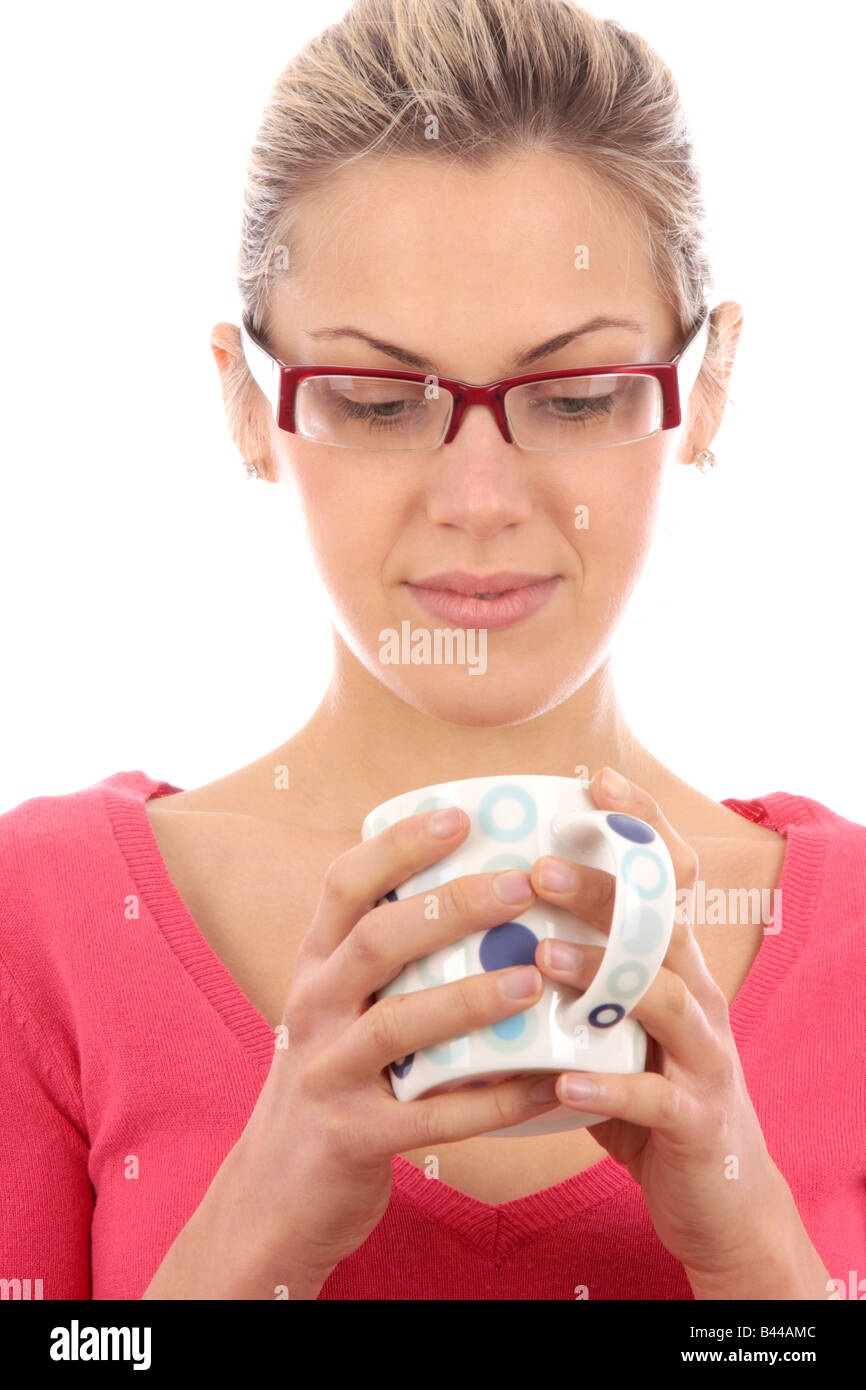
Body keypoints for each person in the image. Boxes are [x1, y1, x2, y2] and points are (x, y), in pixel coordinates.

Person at [1, 0, 863, 1303]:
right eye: (373, 400)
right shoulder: (44, 923)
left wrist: (751, 1255)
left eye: (574, 396)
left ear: (708, 384)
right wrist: (252, 1236)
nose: (477, 499)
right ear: (248, 402)